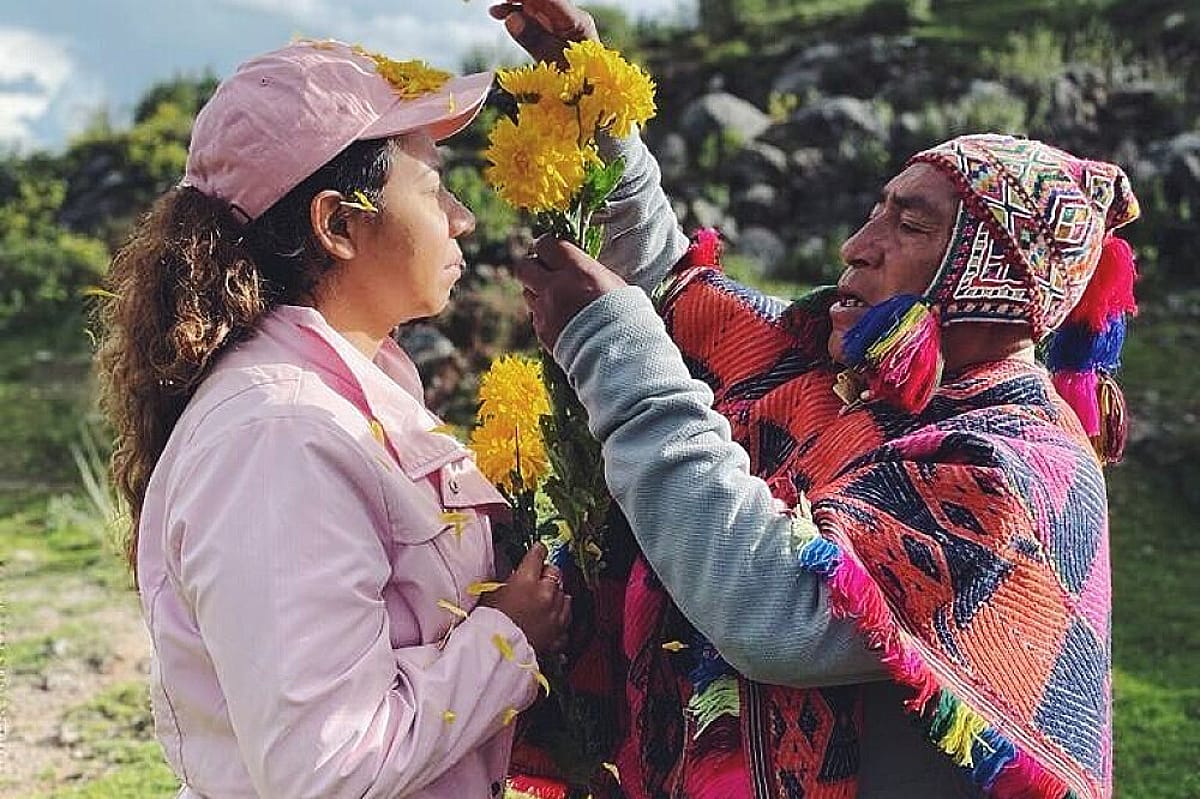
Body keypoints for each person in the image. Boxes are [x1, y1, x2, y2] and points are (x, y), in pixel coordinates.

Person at [499, 5, 1137, 798]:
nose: (857, 243)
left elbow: (779, 607)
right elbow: (673, 292)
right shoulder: (832, 376)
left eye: (907, 222)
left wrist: (610, 347)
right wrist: (589, 92)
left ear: (993, 282)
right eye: (878, 207)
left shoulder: (1017, 466)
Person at [96, 40, 572, 798]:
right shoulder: (278, 436)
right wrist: (508, 639)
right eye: (435, 188)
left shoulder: (347, 390)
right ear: (339, 225)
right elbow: (325, 764)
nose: (462, 220)